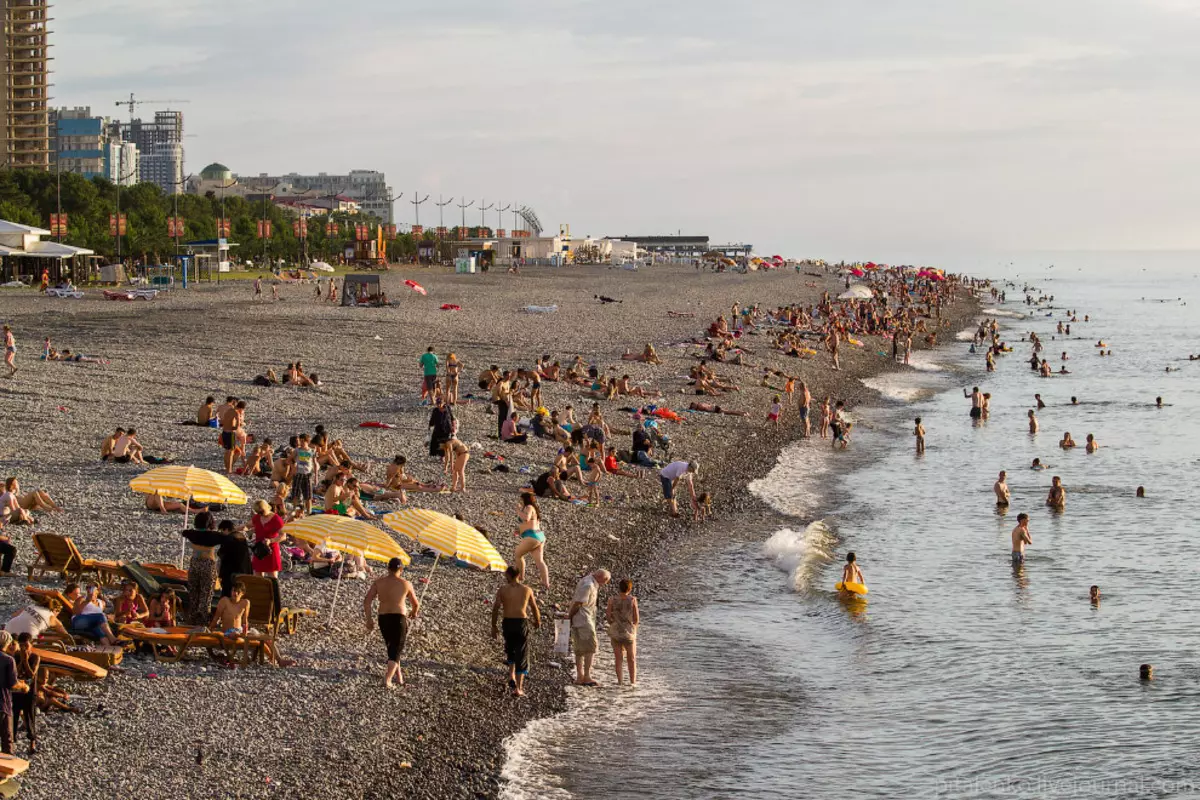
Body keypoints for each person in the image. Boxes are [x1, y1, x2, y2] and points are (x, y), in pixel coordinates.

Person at [363, 558, 420, 689]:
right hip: (399, 618)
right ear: (401, 570)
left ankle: (399, 678)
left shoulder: (378, 582)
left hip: (383, 618)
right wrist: (414, 612)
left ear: (388, 568)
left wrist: (369, 620)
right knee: (395, 650)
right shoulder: (406, 584)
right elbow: (415, 604)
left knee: (392, 648)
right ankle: (387, 680)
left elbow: (367, 601)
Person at [491, 566, 541, 696]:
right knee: (522, 653)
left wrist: (493, 626)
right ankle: (518, 688)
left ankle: (511, 676)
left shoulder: (502, 590)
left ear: (508, 575)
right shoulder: (527, 590)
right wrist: (537, 621)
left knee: (510, 648)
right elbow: (534, 607)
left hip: (507, 622)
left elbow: (496, 608)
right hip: (521, 623)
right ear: (519, 575)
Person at [569, 569, 610, 686]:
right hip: (584, 620)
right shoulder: (589, 585)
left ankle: (580, 676)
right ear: (603, 579)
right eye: (605, 582)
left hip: (579, 620)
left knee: (579, 649)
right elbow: (578, 603)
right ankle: (586, 676)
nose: (604, 585)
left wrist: (570, 617)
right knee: (591, 648)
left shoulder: (585, 580)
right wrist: (569, 616)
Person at [181, 511, 220, 625]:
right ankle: (202, 621)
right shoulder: (213, 536)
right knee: (206, 594)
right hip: (208, 564)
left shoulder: (192, 534)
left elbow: (184, 532)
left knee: (193, 593)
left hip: (195, 563)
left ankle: (192, 619)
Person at [606, 578, 640, 686]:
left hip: (616, 631)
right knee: (631, 658)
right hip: (628, 631)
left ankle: (620, 682)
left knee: (618, 658)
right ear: (629, 588)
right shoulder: (633, 600)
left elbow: (608, 617)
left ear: (619, 588)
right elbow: (636, 619)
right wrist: (633, 627)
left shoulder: (612, 599)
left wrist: (614, 623)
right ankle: (632, 682)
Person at [513, 492, 549, 590]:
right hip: (539, 536)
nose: (520, 502)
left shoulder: (528, 507)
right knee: (539, 561)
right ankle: (546, 583)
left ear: (525, 499)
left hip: (532, 536)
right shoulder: (534, 509)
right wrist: (518, 530)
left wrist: (518, 510)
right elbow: (530, 523)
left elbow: (526, 518)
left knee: (518, 555)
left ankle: (521, 577)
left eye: (521, 500)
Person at [0, 632, 26, 755]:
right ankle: (6, 768)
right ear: (7, 643)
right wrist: (23, 686)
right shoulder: (8, 660)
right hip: (2, 704)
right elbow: (13, 684)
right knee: (7, 739)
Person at [11, 633, 37, 753]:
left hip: (30, 692)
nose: (24, 648)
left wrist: (25, 661)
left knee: (30, 716)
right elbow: (14, 673)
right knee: (14, 716)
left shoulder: (35, 657)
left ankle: (32, 742)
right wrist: (21, 660)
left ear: (31, 644)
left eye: (26, 645)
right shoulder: (15, 657)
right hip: (17, 691)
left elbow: (32, 674)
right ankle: (12, 742)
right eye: (21, 645)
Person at [250, 499, 285, 579]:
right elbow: (247, 526)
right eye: (258, 512)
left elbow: (283, 536)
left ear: (267, 508)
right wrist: (234, 529)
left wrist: (271, 540)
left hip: (271, 550)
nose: (260, 514)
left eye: (261, 512)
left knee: (272, 578)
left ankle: (274, 591)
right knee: (258, 577)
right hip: (259, 550)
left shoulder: (277, 519)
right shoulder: (257, 517)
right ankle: (260, 591)